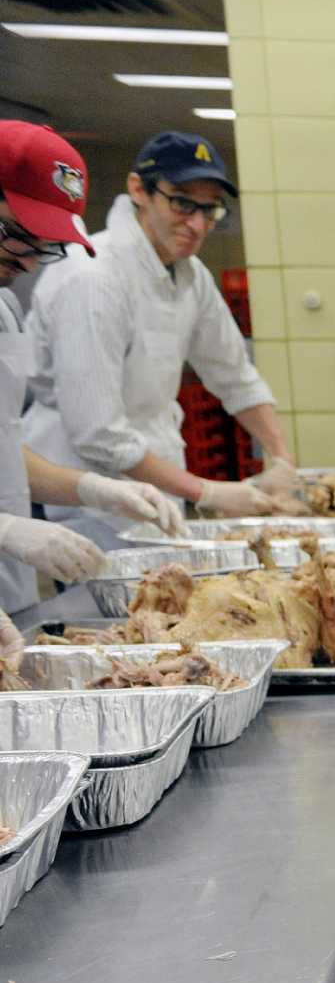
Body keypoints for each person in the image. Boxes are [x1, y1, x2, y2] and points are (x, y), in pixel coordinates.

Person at [24, 131, 295, 542]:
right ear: (139, 190)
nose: (197, 224)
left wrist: (281, 458)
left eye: (210, 209)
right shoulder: (93, 278)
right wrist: (206, 491)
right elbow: (98, 434)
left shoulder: (190, 275)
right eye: (182, 203)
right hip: (84, 500)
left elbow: (234, 375)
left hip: (157, 488)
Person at [0, 123, 184, 641]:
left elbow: (4, 450)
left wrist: (93, 489)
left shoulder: (4, 308)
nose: (29, 261)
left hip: (10, 596)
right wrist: (6, 528)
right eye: (18, 235)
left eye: (45, 245)